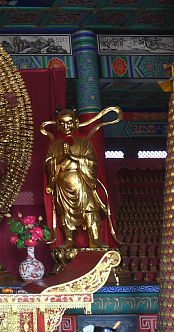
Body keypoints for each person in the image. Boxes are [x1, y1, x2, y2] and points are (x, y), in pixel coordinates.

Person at [42, 106, 120, 249]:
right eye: (62, 123)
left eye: (69, 123)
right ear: (58, 125)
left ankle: (94, 238)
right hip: (62, 184)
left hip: (82, 182)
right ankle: (69, 239)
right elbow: (48, 163)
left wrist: (74, 157)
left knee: (90, 210)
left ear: (76, 123)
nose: (66, 126)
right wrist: (60, 158)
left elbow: (92, 163)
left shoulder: (85, 142)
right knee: (64, 213)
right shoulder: (54, 145)